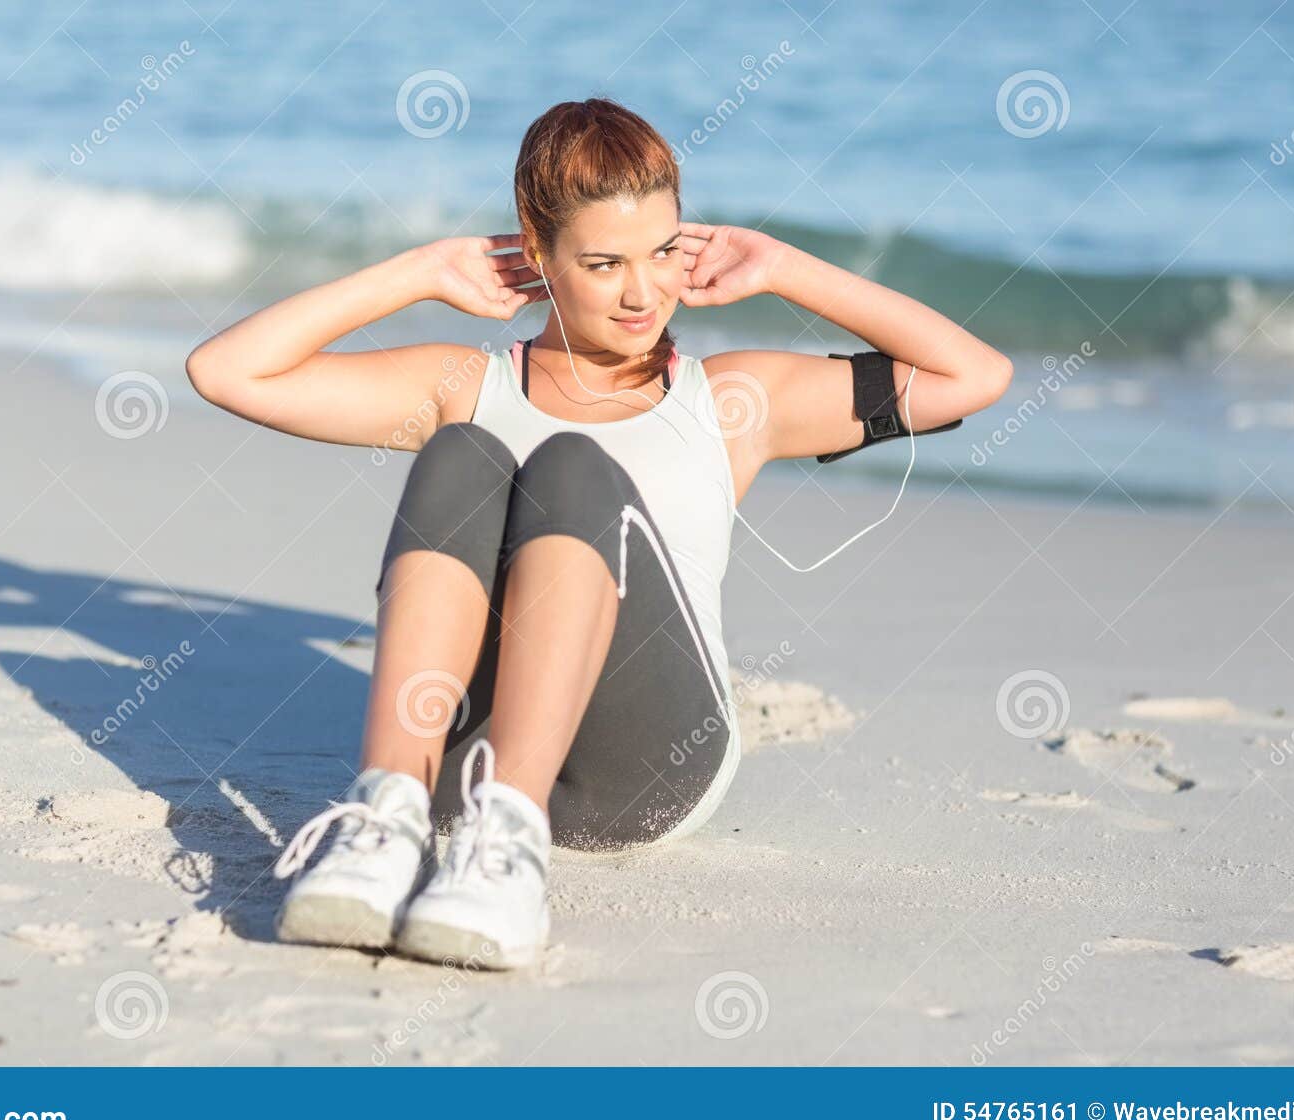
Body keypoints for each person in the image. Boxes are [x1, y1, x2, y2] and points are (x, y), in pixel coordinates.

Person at [184, 97, 1012, 969]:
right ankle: (384, 818)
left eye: (662, 252)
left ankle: (511, 853)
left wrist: (785, 267)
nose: (642, 291)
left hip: (647, 769)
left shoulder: (730, 404)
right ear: (537, 256)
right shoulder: (468, 385)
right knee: (462, 451)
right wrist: (422, 271)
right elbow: (226, 370)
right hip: (460, 772)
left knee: (574, 469)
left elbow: (974, 374)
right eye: (605, 261)